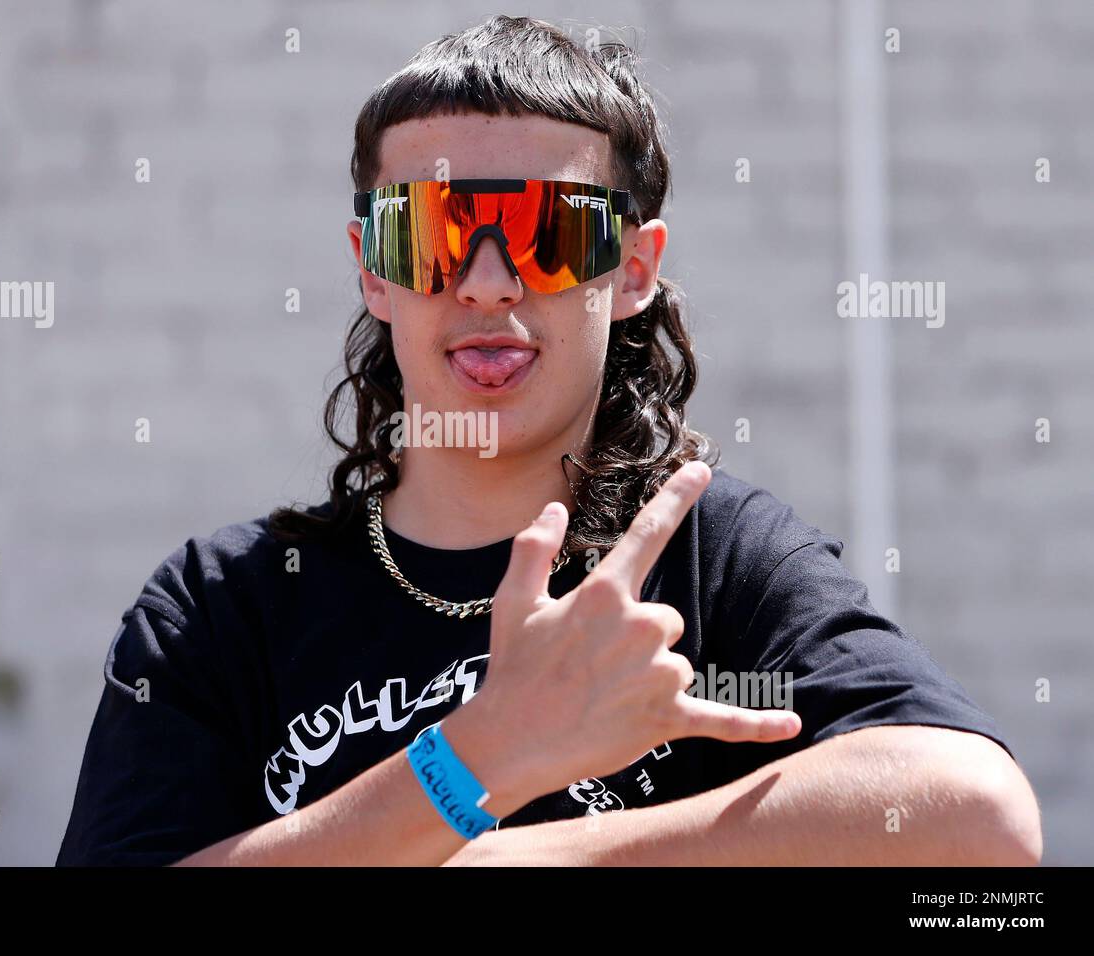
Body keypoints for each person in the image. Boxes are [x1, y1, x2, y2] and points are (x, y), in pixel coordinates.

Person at [56, 15, 1041, 867]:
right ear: (371, 267)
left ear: (632, 269)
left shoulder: (713, 566)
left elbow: (978, 818)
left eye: (547, 234)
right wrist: (479, 754)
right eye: (435, 232)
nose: (486, 282)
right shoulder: (222, 609)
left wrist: (533, 850)